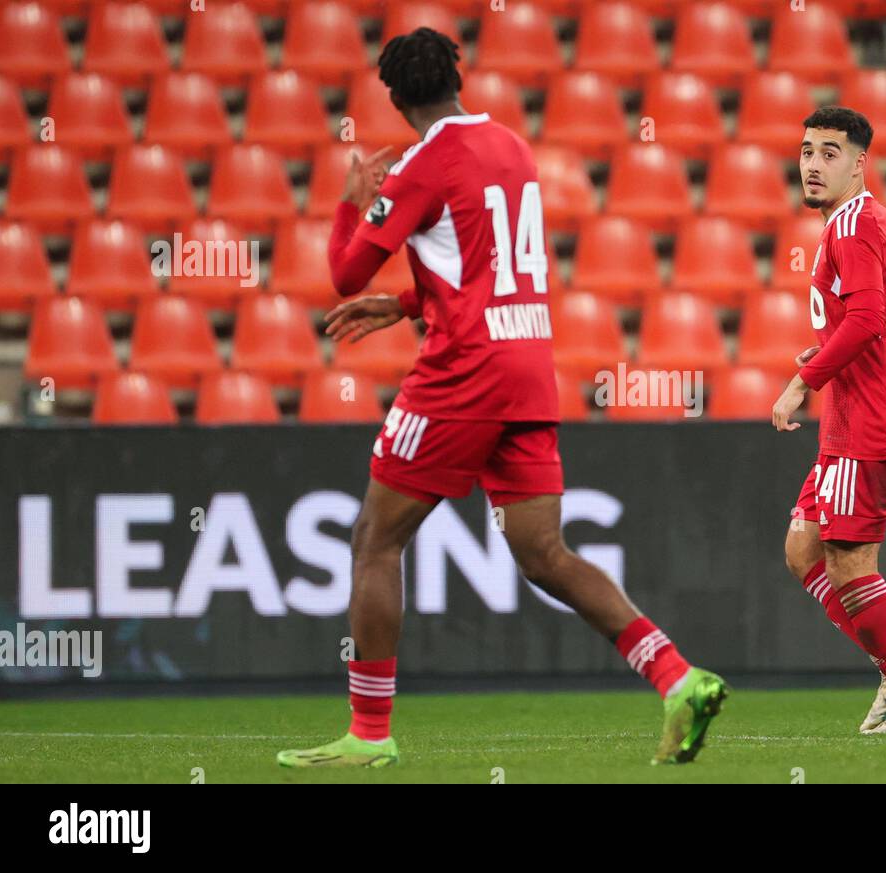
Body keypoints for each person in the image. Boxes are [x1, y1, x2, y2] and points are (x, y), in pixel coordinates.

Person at [276, 28, 727, 768]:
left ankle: (367, 732)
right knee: (543, 551)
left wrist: (351, 205)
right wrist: (413, 304)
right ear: (459, 76)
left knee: (375, 539)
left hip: (463, 374)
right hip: (528, 365)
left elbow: (345, 274)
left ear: (394, 97)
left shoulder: (421, 164)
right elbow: (483, 256)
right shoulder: (513, 147)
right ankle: (677, 677)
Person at [771, 106, 886, 735]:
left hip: (866, 423)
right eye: (807, 151)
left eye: (830, 152)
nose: (814, 164)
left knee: (851, 565)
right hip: (868, 415)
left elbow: (871, 319)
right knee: (803, 549)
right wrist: (848, 353)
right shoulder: (881, 222)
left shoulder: (851, 228)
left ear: (858, 163)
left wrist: (805, 380)